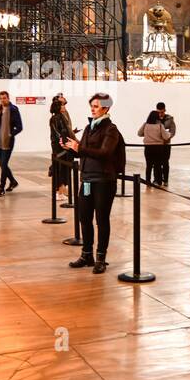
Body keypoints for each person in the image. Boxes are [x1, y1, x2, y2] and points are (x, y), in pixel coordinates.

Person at [63, 93, 126, 274]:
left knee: (101, 220)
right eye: (92, 105)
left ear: (106, 108)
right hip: (88, 179)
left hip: (104, 180)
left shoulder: (111, 129)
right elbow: (84, 152)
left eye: (96, 106)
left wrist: (79, 148)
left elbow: (105, 152)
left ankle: (101, 258)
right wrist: (72, 147)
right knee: (84, 218)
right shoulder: (89, 127)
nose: (93, 108)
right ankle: (86, 255)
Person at [0, 90, 23, 197]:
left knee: (3, 164)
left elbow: (20, 127)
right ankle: (13, 181)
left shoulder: (13, 110)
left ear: (8, 98)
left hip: (7, 141)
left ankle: (1, 188)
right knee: (2, 164)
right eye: (1, 98)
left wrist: (10, 134)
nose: (2, 100)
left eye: (4, 98)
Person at [48, 94, 75, 198]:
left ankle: (61, 190)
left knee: (63, 168)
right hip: (61, 147)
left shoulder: (59, 116)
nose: (64, 106)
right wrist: (64, 143)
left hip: (62, 145)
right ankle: (59, 190)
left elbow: (63, 131)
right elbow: (59, 133)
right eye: (62, 104)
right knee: (61, 168)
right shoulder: (57, 118)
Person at [137, 109, 171, 184]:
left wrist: (146, 135)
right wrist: (169, 134)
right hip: (158, 148)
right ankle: (159, 182)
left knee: (148, 165)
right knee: (157, 165)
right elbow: (166, 136)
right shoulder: (159, 126)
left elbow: (139, 133)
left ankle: (148, 181)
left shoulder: (145, 124)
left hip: (148, 148)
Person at [154, 102, 175, 186]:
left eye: (162, 112)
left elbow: (172, 131)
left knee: (165, 162)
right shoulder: (154, 119)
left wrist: (167, 137)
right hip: (156, 144)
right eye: (159, 112)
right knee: (156, 163)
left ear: (165, 110)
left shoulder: (170, 119)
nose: (160, 114)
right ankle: (156, 179)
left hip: (166, 144)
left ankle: (165, 180)